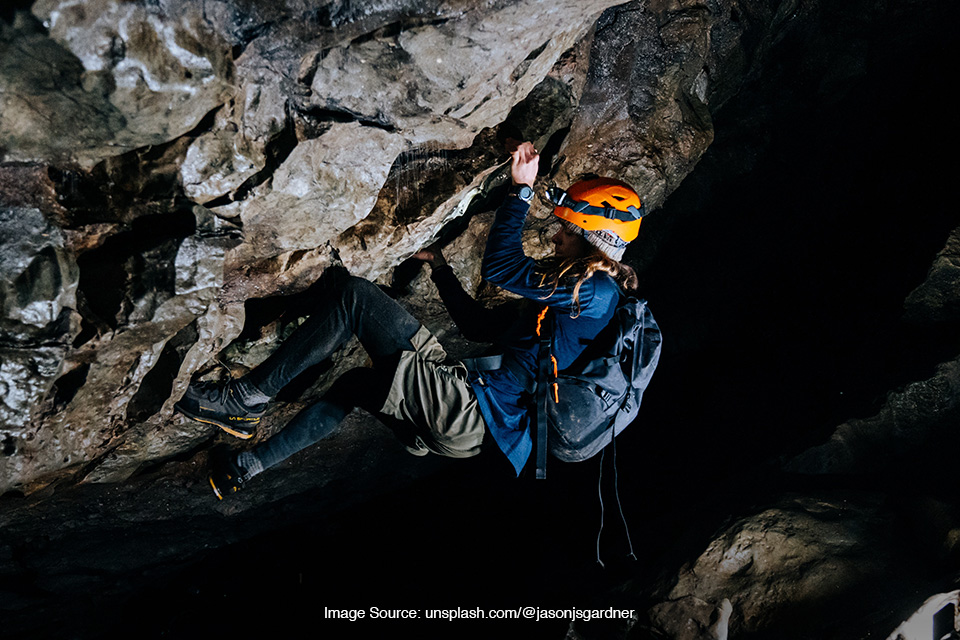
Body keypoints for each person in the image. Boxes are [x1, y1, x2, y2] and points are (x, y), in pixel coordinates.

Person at [175, 142, 645, 499]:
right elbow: (478, 328)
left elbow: (500, 268)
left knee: (356, 297)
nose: (558, 236)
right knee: (355, 386)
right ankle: (243, 469)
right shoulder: (580, 304)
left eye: (569, 229)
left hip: (469, 411)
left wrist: (521, 191)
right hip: (473, 425)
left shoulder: (595, 292)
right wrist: (439, 266)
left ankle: (243, 400)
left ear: (593, 235)